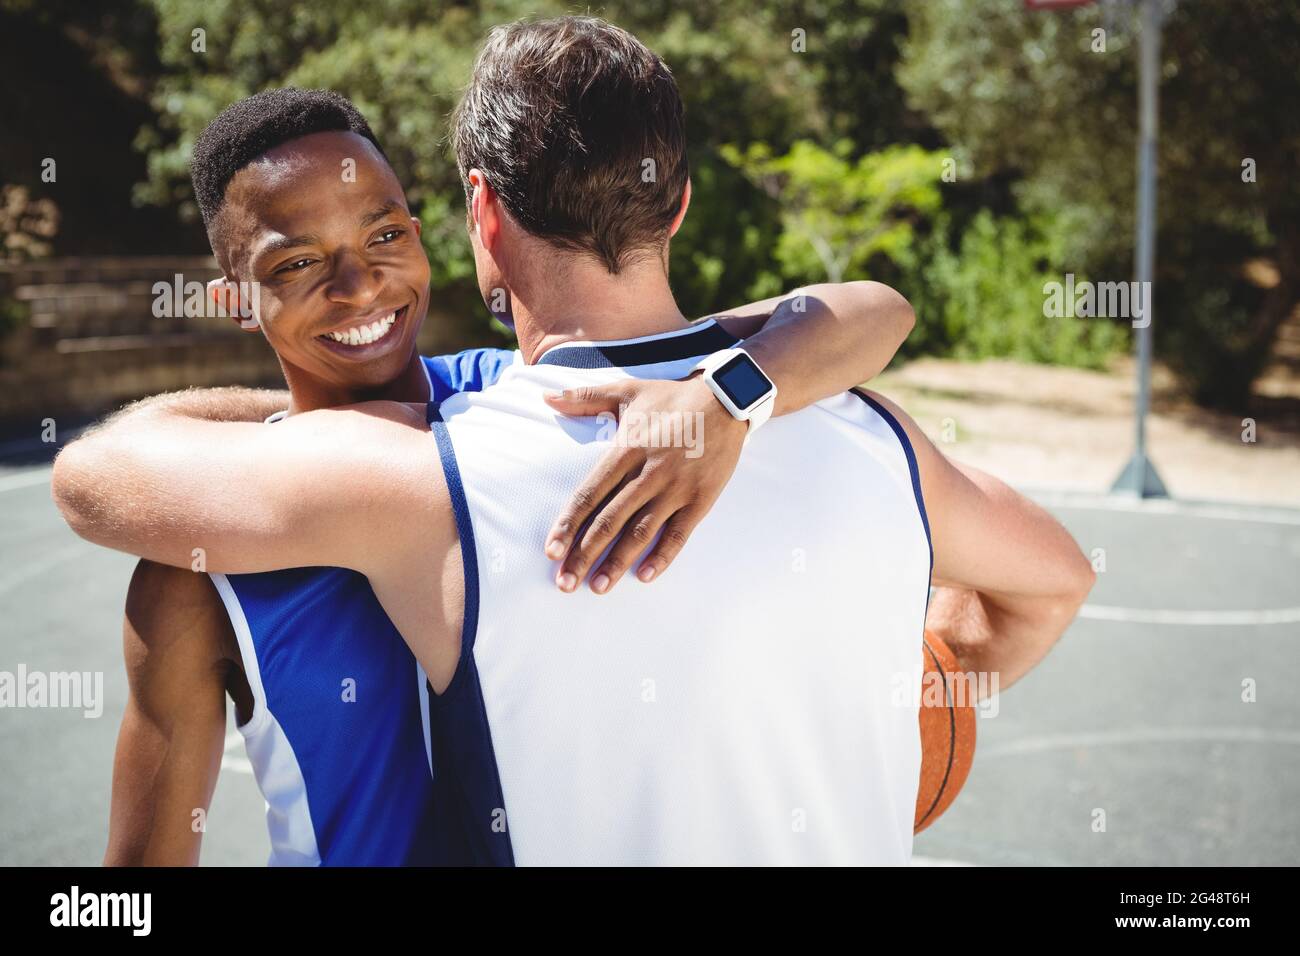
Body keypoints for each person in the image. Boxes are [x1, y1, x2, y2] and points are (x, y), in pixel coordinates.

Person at [54, 17, 1093, 865]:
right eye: (295, 265)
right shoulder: (861, 424)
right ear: (681, 201)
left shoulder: (454, 456)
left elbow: (94, 471)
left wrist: (731, 395)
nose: (360, 284)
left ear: (469, 216)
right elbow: (1039, 558)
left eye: (383, 235)